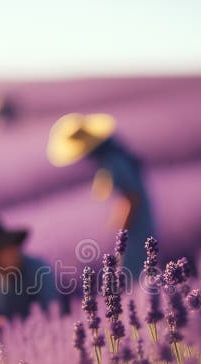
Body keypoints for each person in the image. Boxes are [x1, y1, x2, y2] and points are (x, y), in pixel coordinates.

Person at [47, 113, 155, 276]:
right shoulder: (113, 159)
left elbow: (131, 198)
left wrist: (120, 234)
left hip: (136, 230)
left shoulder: (114, 163)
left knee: (131, 276)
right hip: (140, 227)